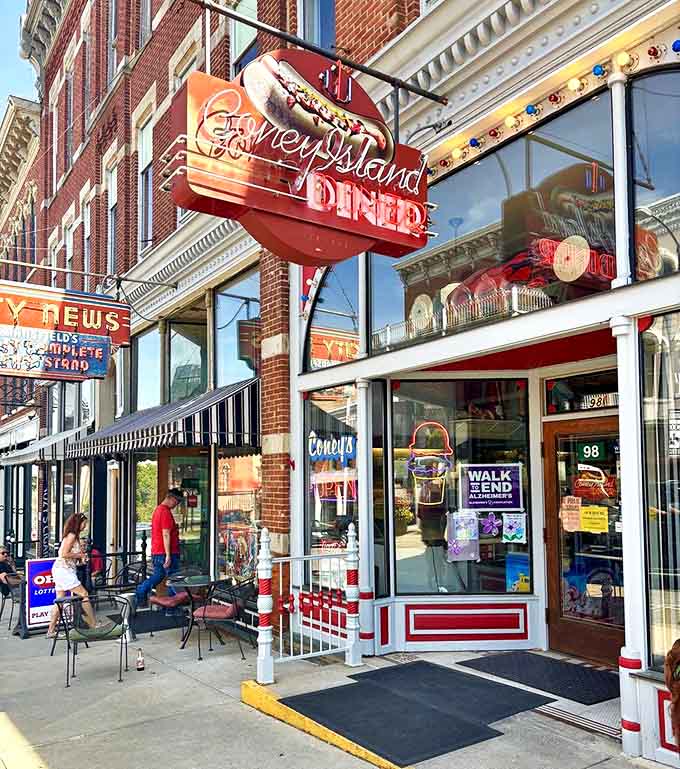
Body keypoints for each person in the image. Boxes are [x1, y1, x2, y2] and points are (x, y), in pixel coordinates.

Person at [47, 513, 98, 638]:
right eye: (84, 523)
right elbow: (64, 553)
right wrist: (80, 556)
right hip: (64, 570)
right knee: (84, 594)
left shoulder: (74, 536)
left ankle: (51, 631)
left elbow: (69, 554)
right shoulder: (72, 535)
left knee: (60, 600)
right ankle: (93, 624)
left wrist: (81, 559)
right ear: (78, 523)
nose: (85, 526)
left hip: (62, 569)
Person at [135, 489, 183, 607]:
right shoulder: (165, 512)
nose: (177, 505)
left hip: (157, 551)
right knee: (174, 579)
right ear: (171, 498)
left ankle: (140, 591)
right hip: (167, 552)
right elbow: (165, 534)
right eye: (177, 501)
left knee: (158, 576)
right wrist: (168, 555)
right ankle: (171, 608)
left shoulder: (157, 510)